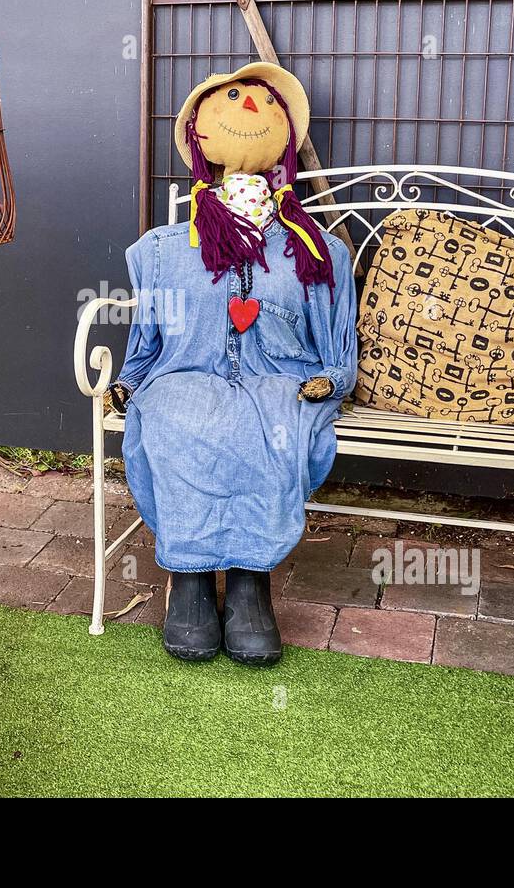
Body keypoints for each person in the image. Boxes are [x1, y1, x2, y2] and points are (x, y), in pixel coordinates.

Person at [110, 63, 357, 665]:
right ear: (200, 135)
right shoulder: (165, 251)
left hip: (281, 377)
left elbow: (336, 346)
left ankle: (251, 583)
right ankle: (189, 581)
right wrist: (131, 379)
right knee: (171, 414)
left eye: (262, 103)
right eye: (231, 100)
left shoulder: (315, 250)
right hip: (183, 374)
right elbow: (146, 341)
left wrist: (332, 379)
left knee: (274, 421)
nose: (246, 108)